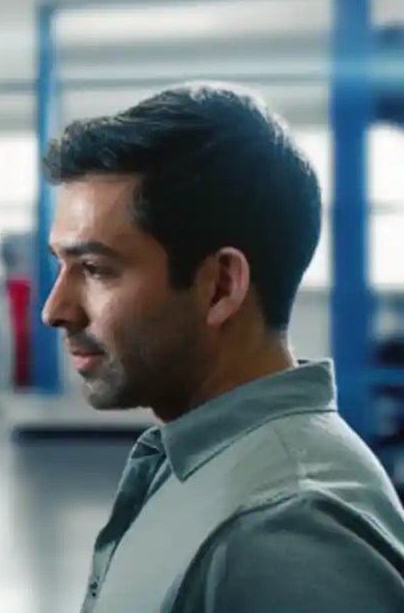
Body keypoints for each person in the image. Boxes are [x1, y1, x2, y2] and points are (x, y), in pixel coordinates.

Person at [41, 82, 404, 612]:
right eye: (61, 265)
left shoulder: (286, 532)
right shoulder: (202, 458)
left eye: (95, 269)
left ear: (220, 286)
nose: (55, 309)